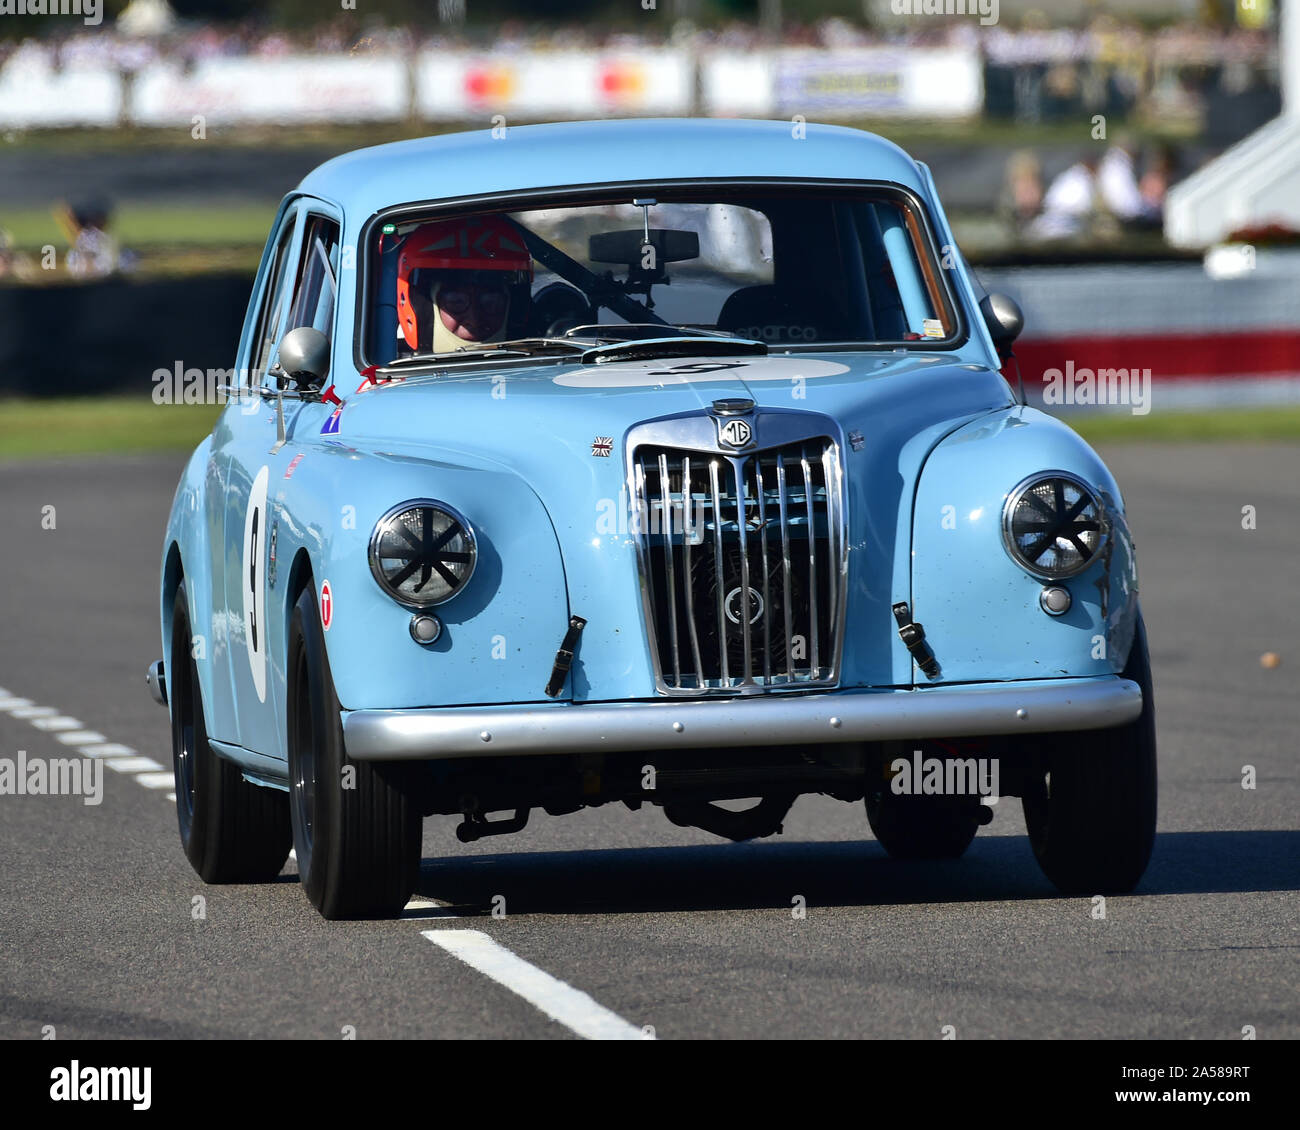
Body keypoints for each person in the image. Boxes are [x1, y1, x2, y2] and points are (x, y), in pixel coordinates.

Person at [395, 215, 533, 354]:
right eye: (456, 302)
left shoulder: (547, 364)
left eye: (491, 302)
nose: (475, 320)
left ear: (514, 306)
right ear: (420, 306)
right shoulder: (385, 370)